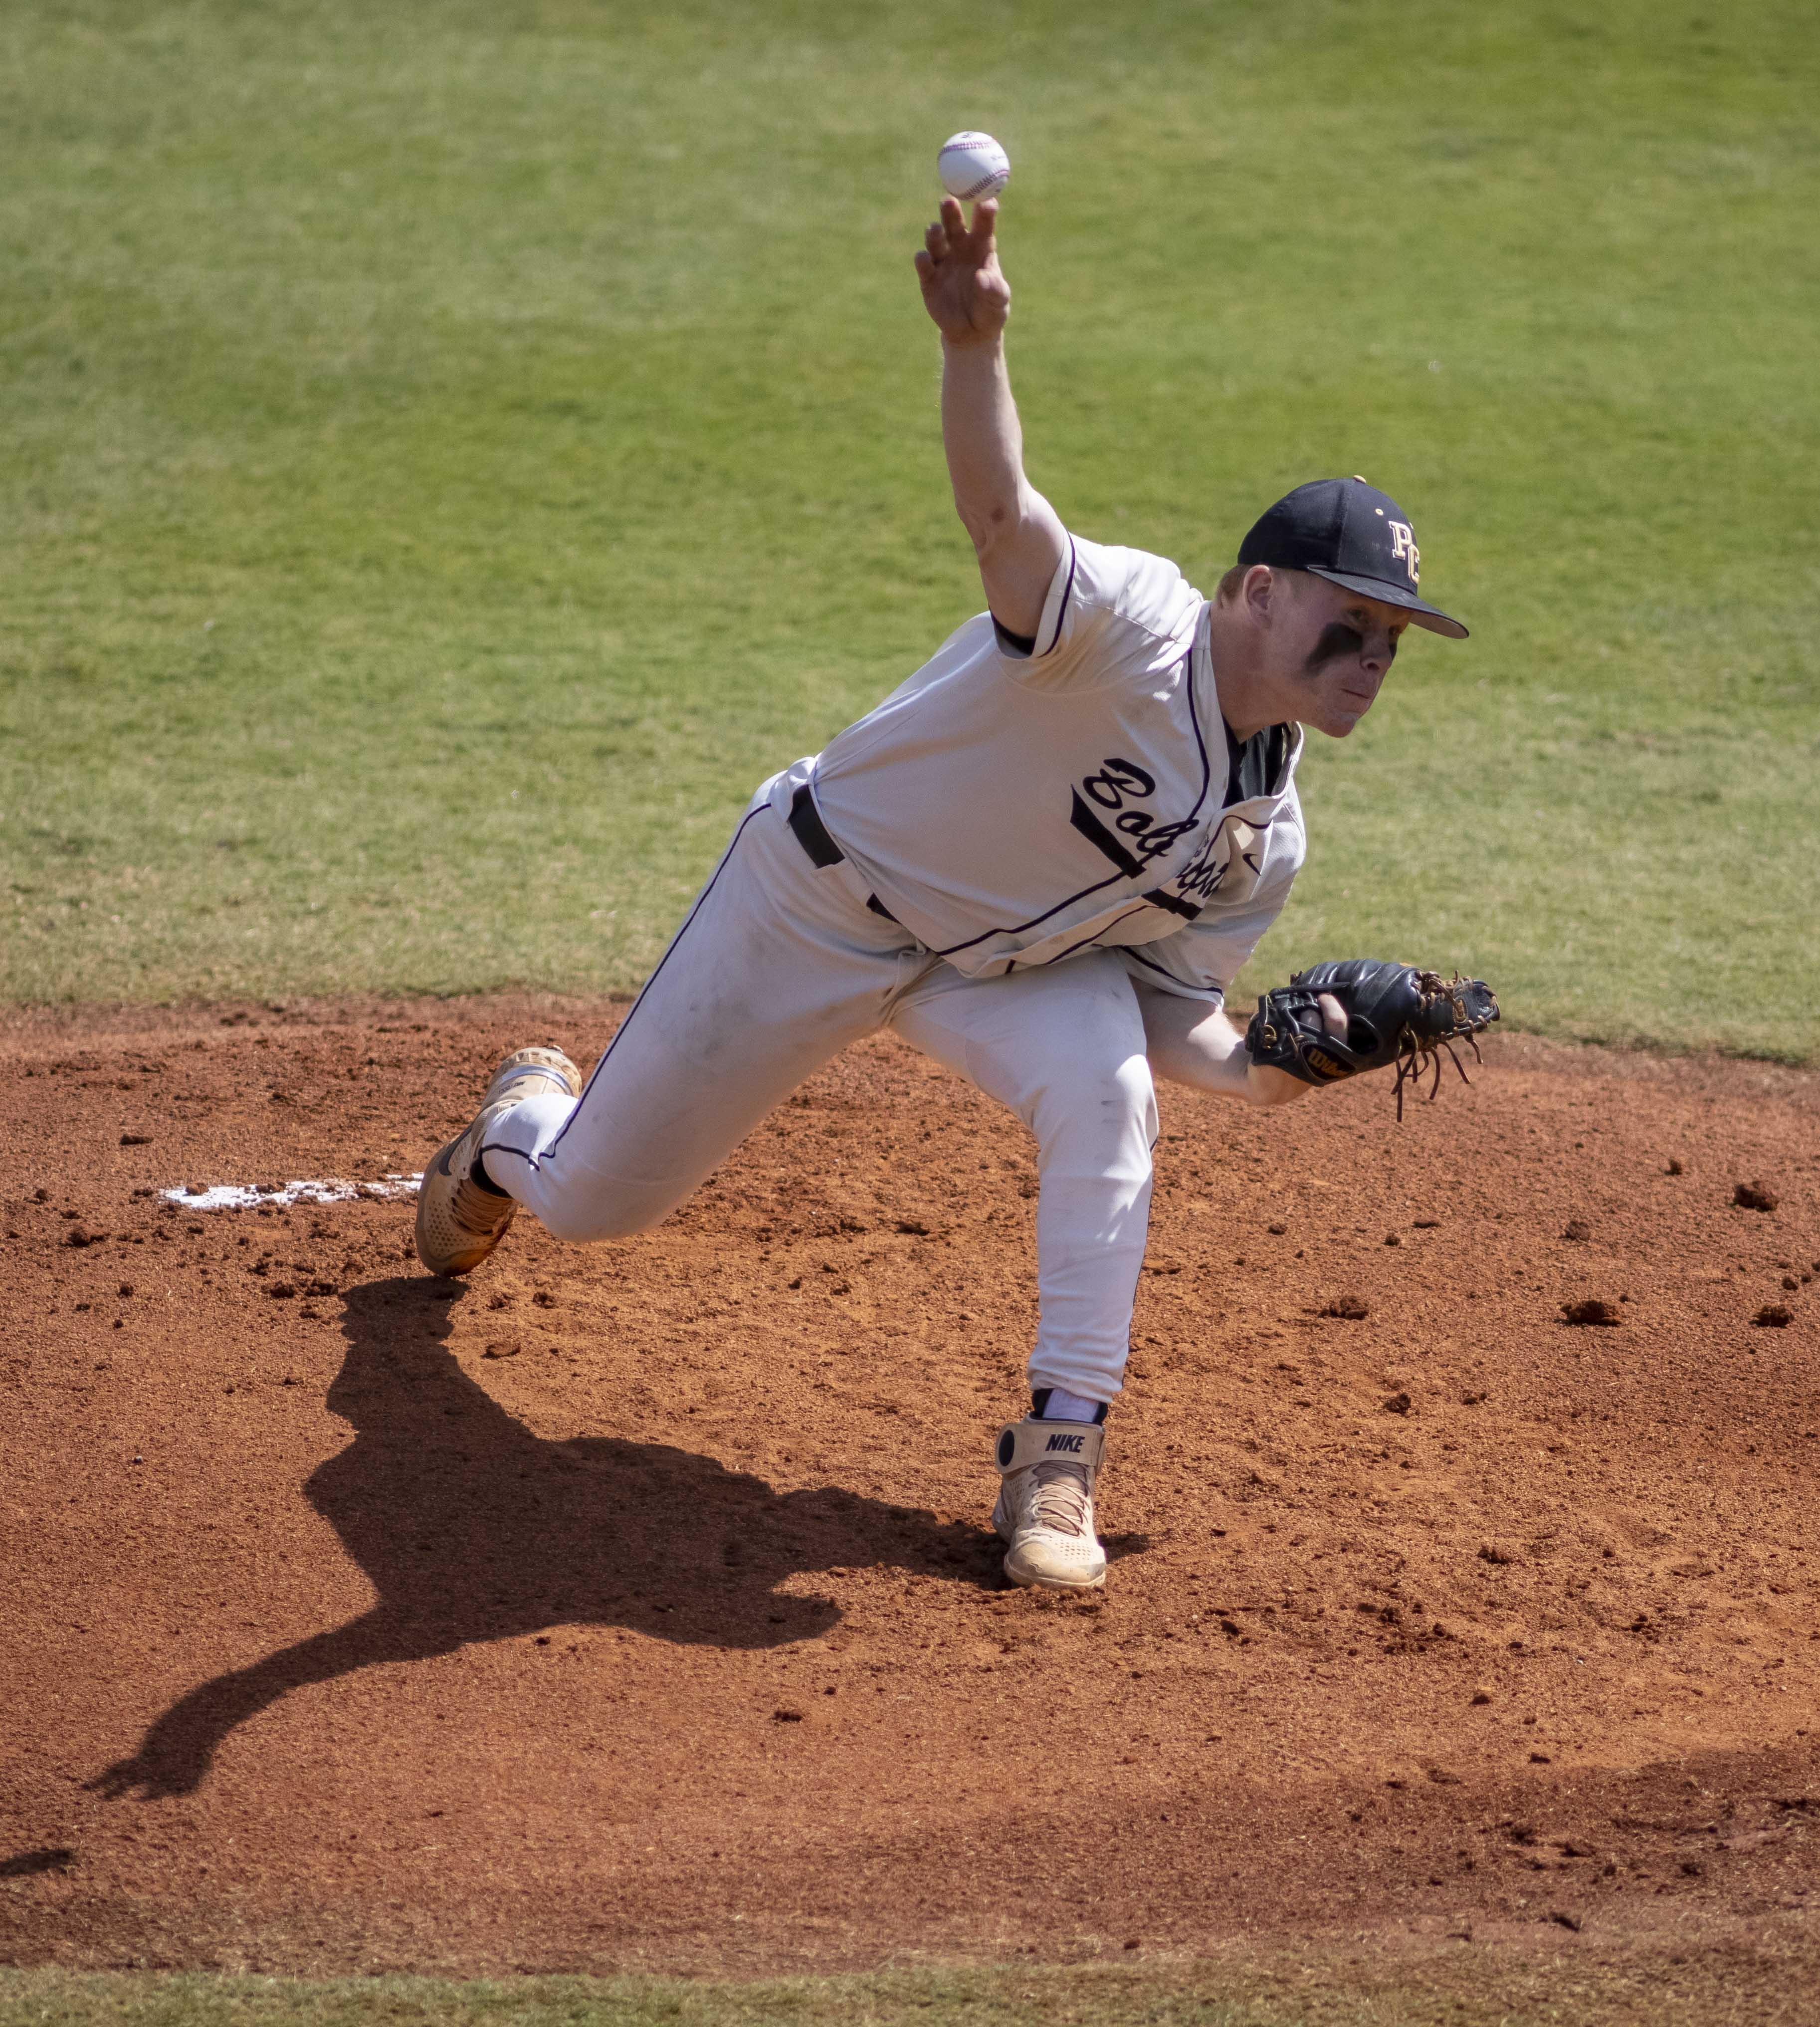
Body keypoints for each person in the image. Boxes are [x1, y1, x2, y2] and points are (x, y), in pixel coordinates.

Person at [411, 192, 1469, 1592]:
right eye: (1353, 617)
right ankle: (511, 1131)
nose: (1374, 650)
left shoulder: (1264, 839)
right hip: (811, 903)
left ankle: (1060, 1458)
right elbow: (1003, 521)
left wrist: (1273, 1065)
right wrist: (974, 350)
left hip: (991, 971)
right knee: (598, 1201)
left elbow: (1175, 1017)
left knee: (1113, 1093)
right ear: (1257, 594)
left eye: (1394, 635)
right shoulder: (1128, 626)